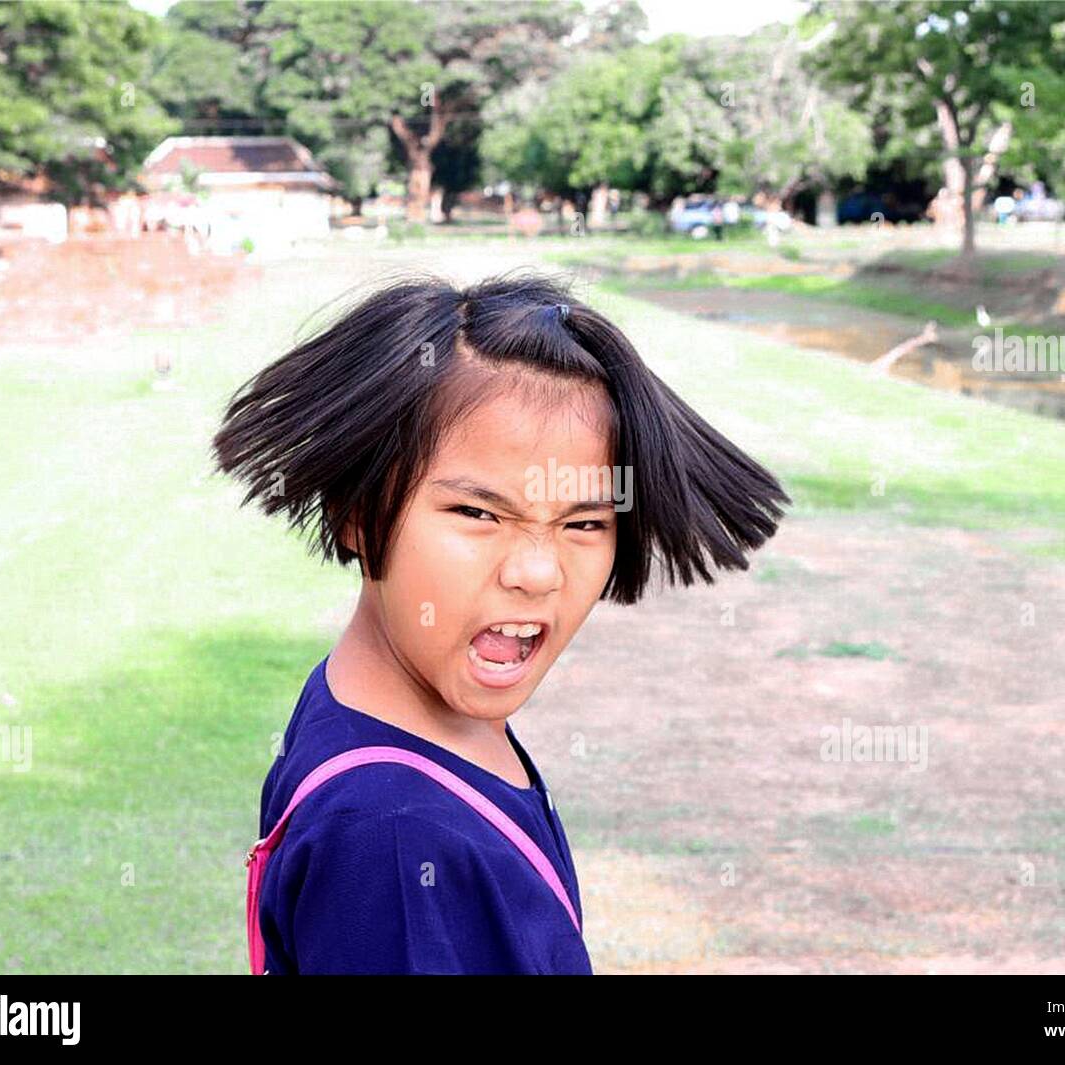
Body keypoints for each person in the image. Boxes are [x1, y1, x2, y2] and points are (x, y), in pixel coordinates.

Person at [211, 274, 789, 973]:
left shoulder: (381, 702)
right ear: (357, 511)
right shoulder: (395, 836)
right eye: (479, 513)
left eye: (583, 522)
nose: (538, 572)